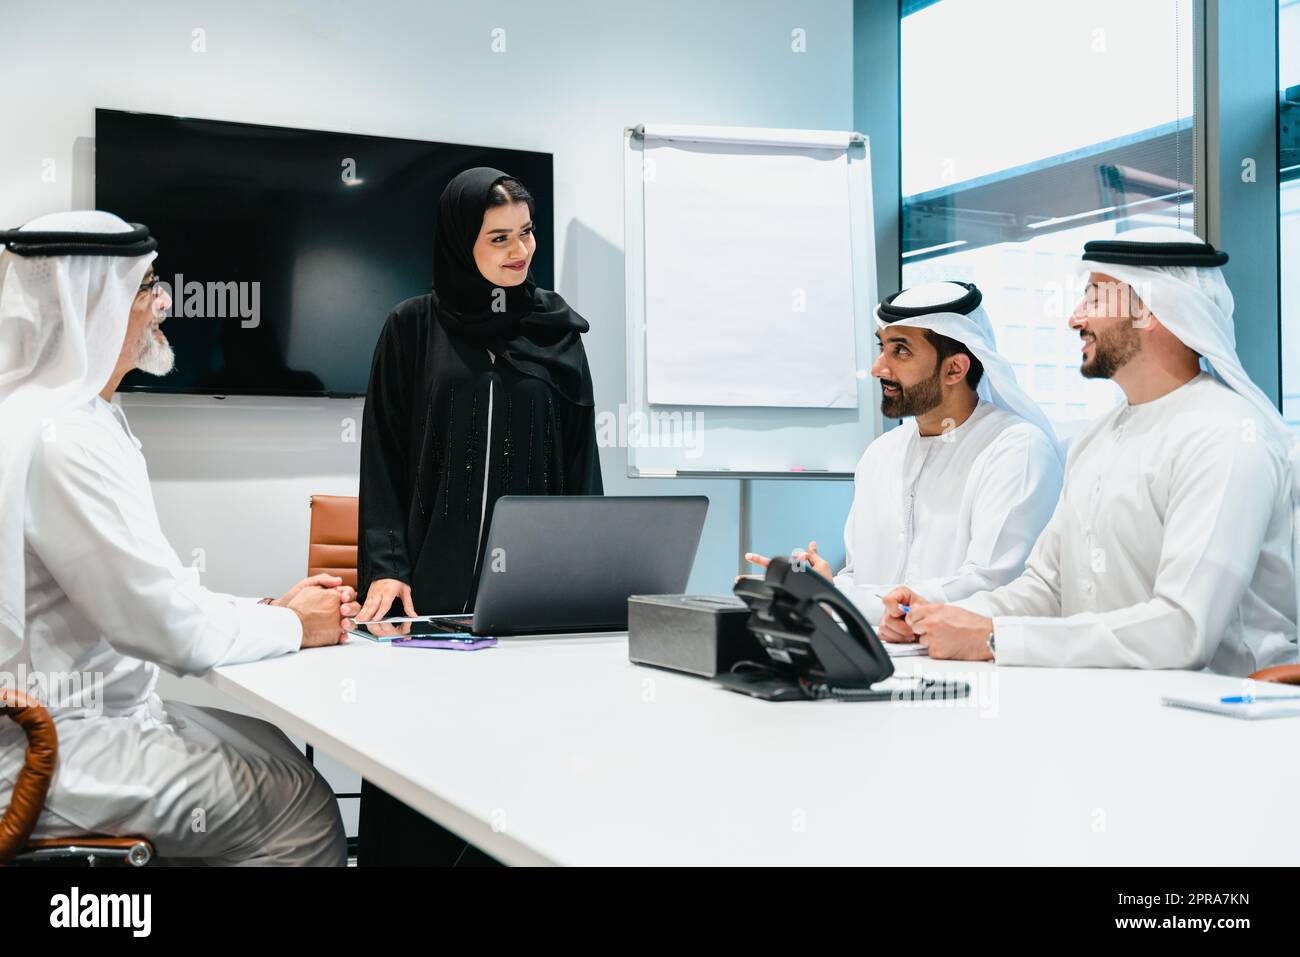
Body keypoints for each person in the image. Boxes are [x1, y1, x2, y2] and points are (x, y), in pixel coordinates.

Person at [0, 211, 355, 864]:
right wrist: (296, 627)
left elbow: (156, 588)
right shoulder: (60, 437)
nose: (164, 303)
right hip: (48, 745)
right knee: (300, 801)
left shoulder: (75, 416)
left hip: (93, 717)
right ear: (90, 304)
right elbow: (162, 626)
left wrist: (266, 612)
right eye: (146, 287)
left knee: (271, 744)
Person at [885, 227, 1298, 676]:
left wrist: (992, 639)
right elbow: (1046, 589)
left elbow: (1182, 630)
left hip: (1227, 721)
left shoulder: (1227, 436)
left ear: (1150, 310)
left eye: (1096, 298)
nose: (1075, 318)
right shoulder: (1094, 440)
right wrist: (939, 616)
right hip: (1112, 708)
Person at [356, 167, 602, 864]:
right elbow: (382, 457)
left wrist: (593, 580)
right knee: (420, 774)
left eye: (526, 232)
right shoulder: (412, 328)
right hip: (431, 595)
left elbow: (582, 463)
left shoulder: (557, 332)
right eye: (498, 237)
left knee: (525, 774)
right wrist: (384, 567)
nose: (519, 250)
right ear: (462, 241)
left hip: (531, 600)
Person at [747, 281, 1063, 630]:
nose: (878, 368)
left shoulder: (1017, 450)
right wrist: (824, 588)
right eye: (882, 348)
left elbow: (992, 585)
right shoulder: (880, 454)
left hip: (966, 671)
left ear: (955, 369)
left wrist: (842, 602)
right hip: (877, 659)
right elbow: (858, 574)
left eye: (901, 352)